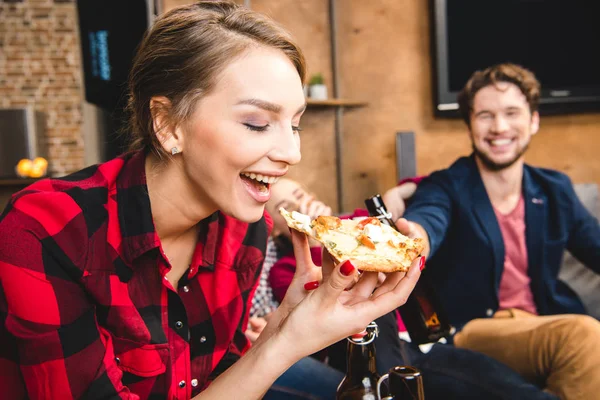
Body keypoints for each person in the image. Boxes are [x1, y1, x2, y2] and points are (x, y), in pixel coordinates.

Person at [0, 2, 423, 399]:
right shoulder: (46, 229)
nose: (292, 153)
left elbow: (219, 383)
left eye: (294, 125)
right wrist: (286, 344)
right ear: (167, 124)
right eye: (257, 123)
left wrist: (286, 331)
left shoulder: (243, 229)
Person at [398, 63, 600, 400]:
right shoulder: (447, 186)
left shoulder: (554, 189)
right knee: (583, 334)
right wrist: (415, 238)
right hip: (475, 329)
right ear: (469, 125)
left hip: (543, 324)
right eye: (486, 115)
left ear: (533, 120)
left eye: (512, 113)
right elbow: (428, 219)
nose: (500, 127)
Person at [265, 178, 559, 400]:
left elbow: (437, 184)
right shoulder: (287, 270)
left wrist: (397, 193)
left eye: (301, 195)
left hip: (425, 341)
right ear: (277, 227)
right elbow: (321, 308)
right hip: (370, 350)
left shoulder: (363, 221)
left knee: (510, 387)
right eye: (287, 208)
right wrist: (327, 240)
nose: (301, 205)